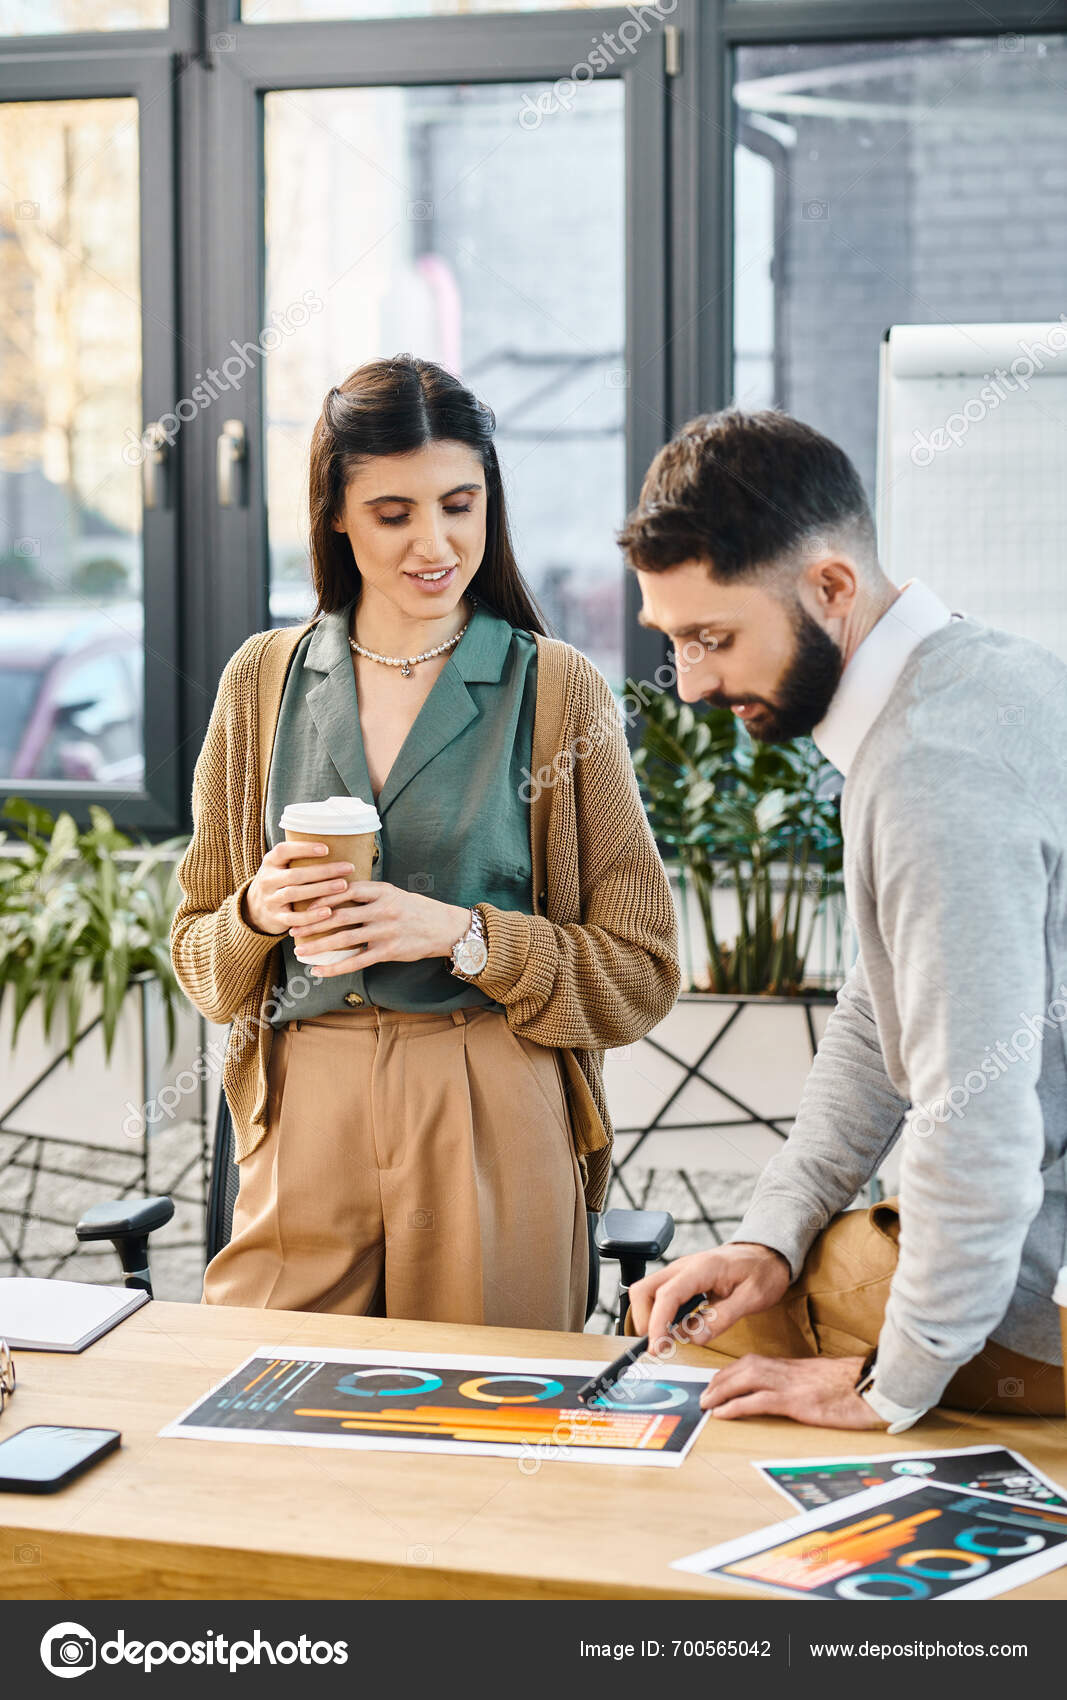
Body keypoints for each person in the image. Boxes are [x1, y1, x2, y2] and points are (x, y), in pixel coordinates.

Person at [171, 354, 679, 1329]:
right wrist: (253, 912)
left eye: (459, 501)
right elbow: (202, 959)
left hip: (486, 1093)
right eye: (392, 513)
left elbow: (641, 970)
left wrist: (460, 934)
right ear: (335, 515)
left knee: (486, 1430)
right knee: (259, 1415)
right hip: (302, 1099)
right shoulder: (264, 681)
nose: (435, 542)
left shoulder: (555, 689)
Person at [621, 407, 1067, 1429]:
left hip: (1034, 1295)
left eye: (713, 637)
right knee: (733, 1304)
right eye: (673, 641)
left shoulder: (929, 771)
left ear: (829, 586)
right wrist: (771, 1235)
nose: (689, 683)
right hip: (1017, 1234)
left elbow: (977, 1116)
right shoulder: (973, 678)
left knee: (709, 1372)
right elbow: (879, 1020)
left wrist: (886, 1384)